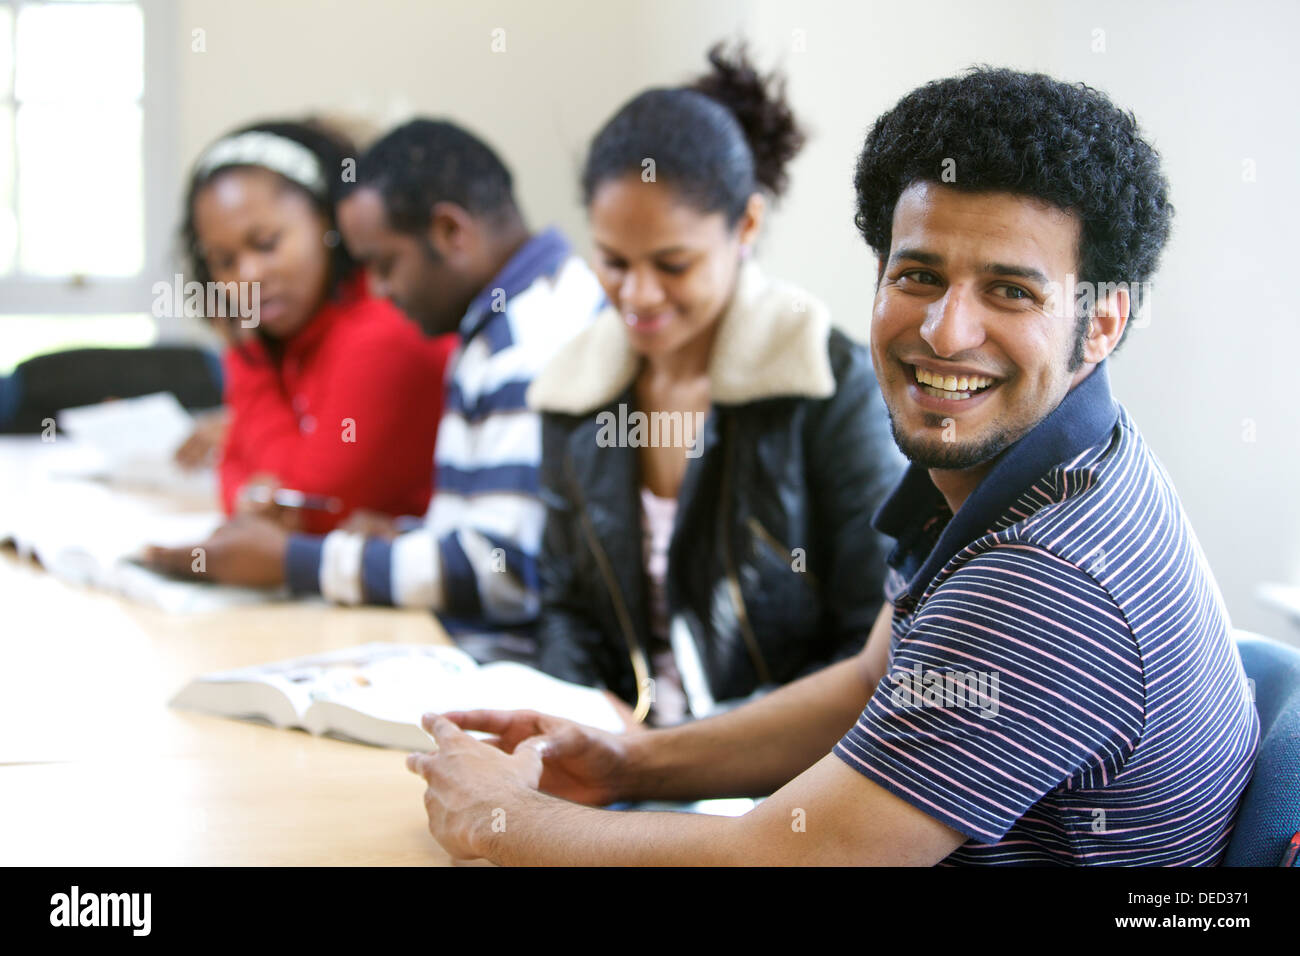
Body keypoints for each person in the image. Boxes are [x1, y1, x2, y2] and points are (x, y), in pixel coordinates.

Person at [407, 67, 1260, 865]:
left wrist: (502, 819)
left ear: (1103, 323)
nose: (945, 332)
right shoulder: (1023, 463)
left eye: (1010, 291)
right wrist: (628, 763)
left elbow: (781, 858)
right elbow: (869, 682)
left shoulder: (1045, 578)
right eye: (920, 275)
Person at [527, 44, 902, 725]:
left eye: (673, 264)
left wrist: (682, 759)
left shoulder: (827, 386)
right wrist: (581, 717)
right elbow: (564, 609)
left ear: (747, 226)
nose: (637, 293)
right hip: (617, 769)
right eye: (612, 261)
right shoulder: (572, 390)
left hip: (776, 782)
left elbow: (873, 640)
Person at [149, 119, 605, 650]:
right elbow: (493, 539)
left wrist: (294, 561)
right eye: (224, 263)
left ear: (451, 233)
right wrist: (404, 535)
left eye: (385, 266)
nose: (381, 291)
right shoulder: (501, 323)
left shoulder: (525, 342)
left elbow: (506, 573)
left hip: (527, 664)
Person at [147, 120, 451, 540]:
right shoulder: (293, 337)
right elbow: (239, 469)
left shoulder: (384, 330)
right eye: (224, 261)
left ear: (330, 223)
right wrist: (247, 494)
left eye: (267, 243)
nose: (247, 276)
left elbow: (310, 505)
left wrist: (244, 352)